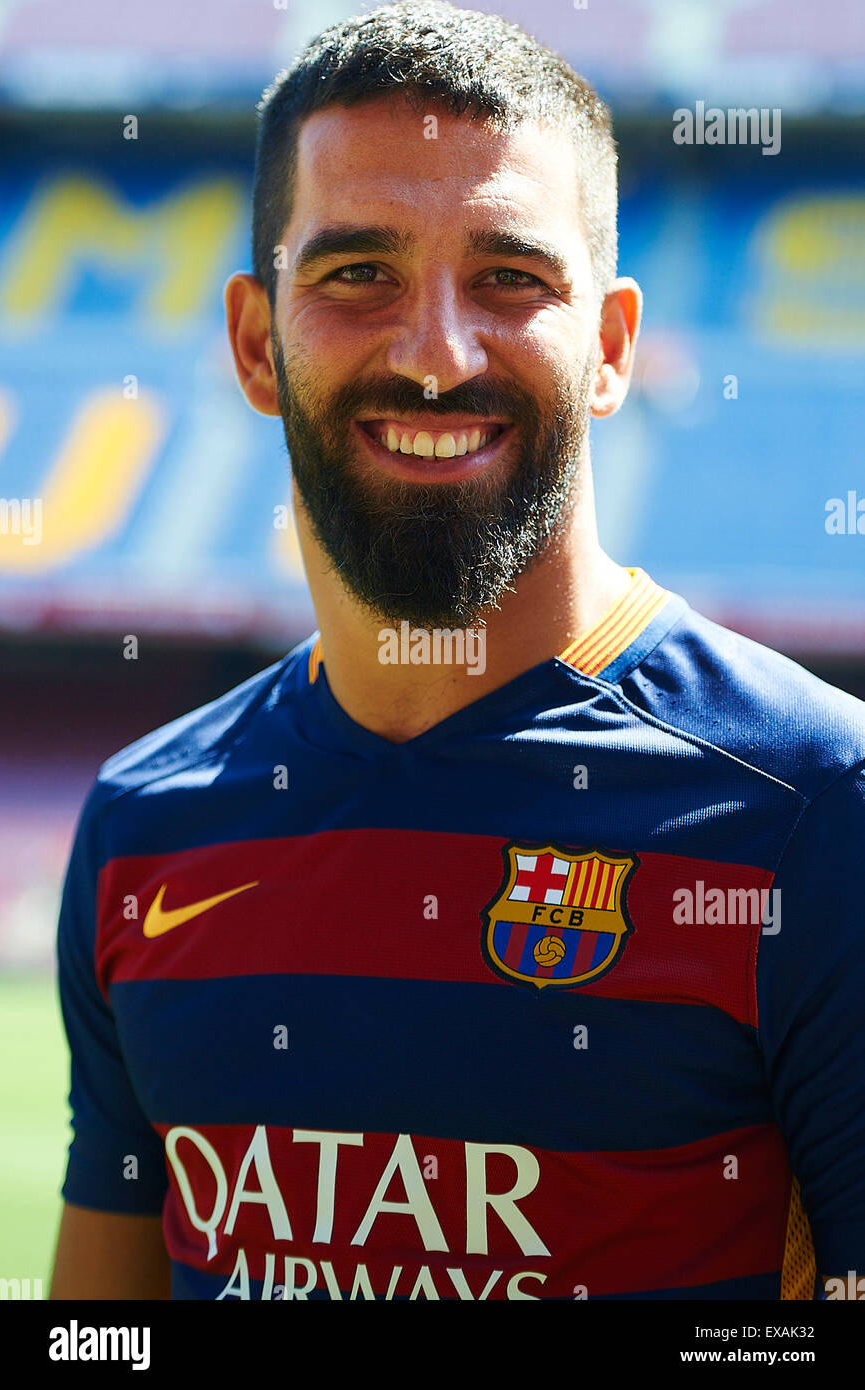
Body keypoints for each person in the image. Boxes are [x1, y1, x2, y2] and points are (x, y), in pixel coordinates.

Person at [50, 0, 864, 1300]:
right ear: (257, 343)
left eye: (510, 277)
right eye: (357, 272)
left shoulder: (815, 809)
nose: (436, 353)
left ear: (608, 348)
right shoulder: (145, 825)